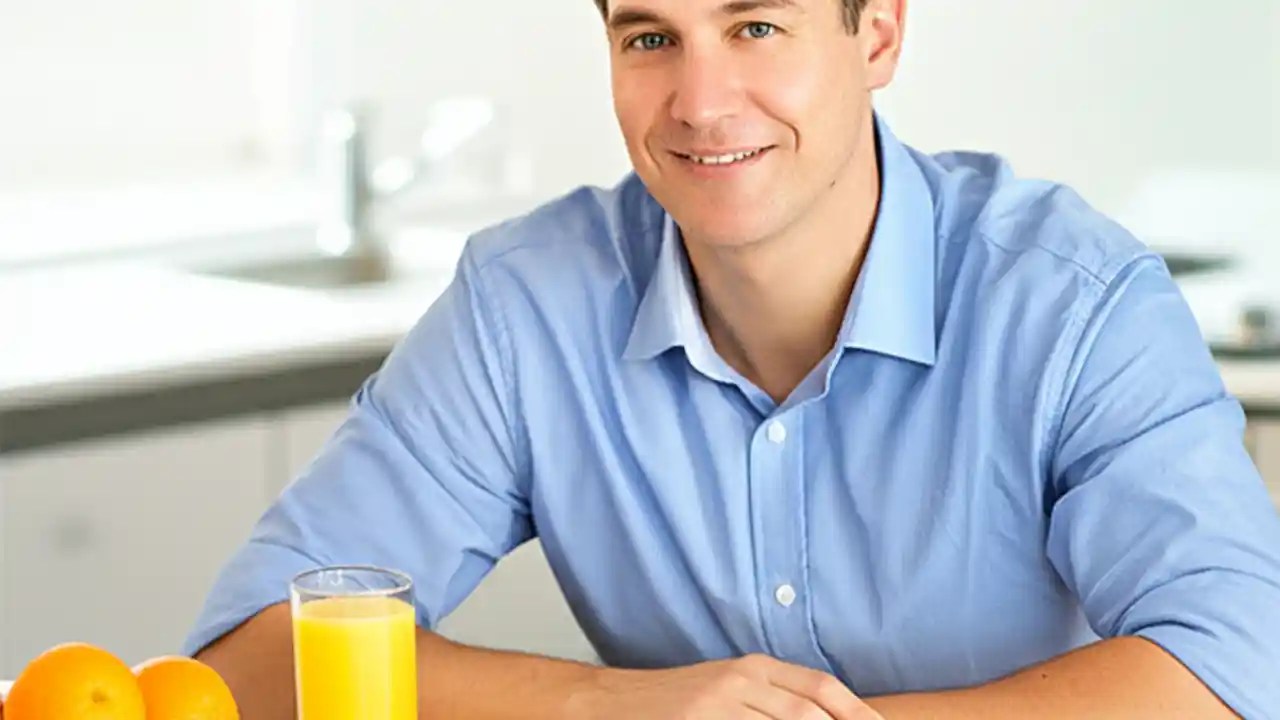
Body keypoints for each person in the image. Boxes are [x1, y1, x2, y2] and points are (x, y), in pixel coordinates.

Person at [186, 0, 1280, 717]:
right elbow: (252, 655)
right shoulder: (526, 305)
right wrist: (620, 704)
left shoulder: (1073, 303)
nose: (701, 105)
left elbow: (1239, 661)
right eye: (649, 39)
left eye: (754, 25)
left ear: (877, 35)